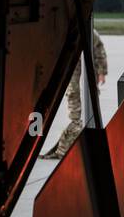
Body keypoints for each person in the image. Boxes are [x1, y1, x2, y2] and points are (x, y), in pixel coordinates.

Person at [41, 29, 108, 159]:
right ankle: (75, 125)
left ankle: (75, 127)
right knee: (73, 95)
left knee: (80, 101)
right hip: (72, 69)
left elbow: (99, 49)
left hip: (82, 71)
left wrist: (101, 71)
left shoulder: (86, 31)